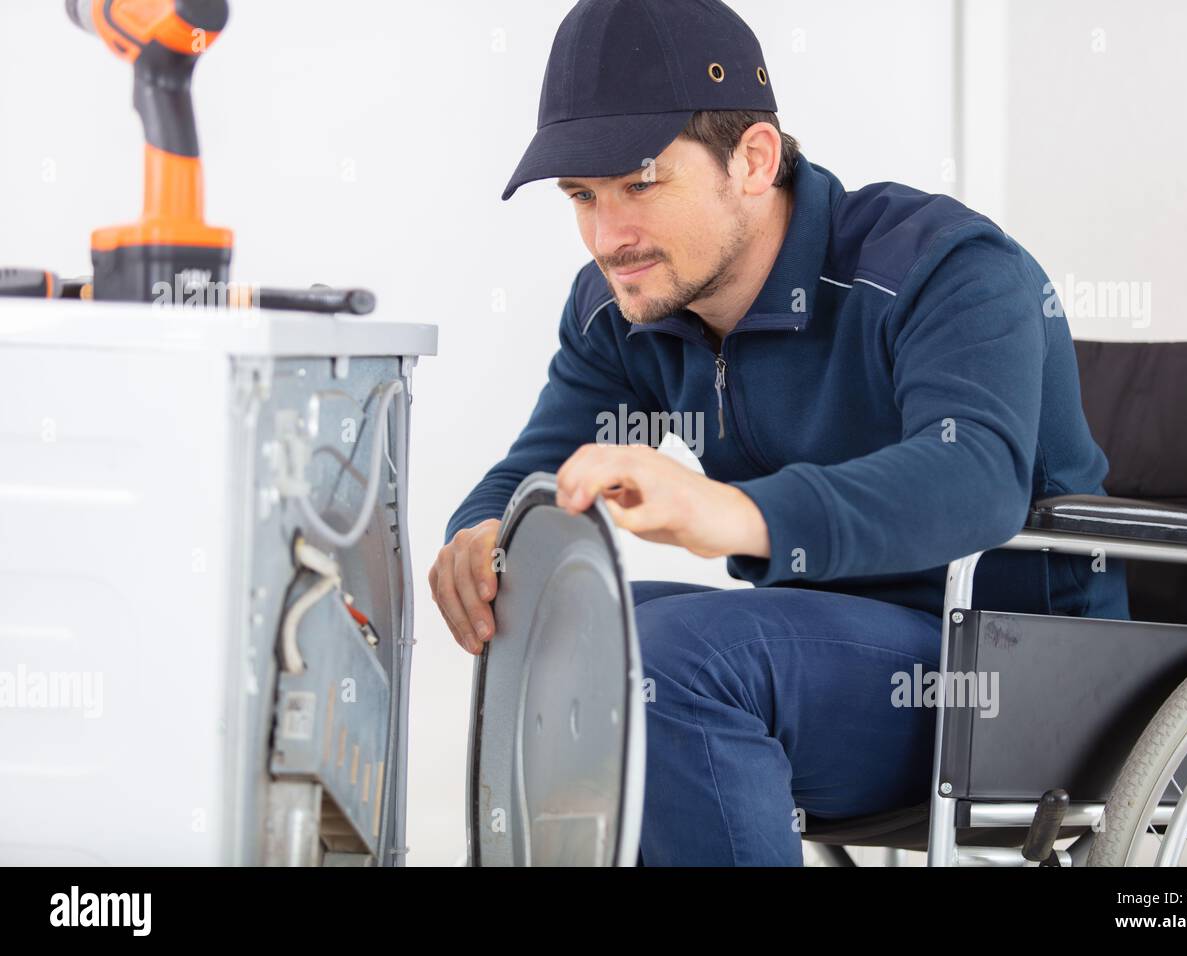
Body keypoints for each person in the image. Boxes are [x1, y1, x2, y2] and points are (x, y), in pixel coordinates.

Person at [431, 0, 1129, 865]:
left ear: (753, 159)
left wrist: (735, 513)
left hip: (1014, 668)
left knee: (669, 666)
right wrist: (482, 534)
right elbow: (534, 468)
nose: (609, 238)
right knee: (567, 643)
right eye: (582, 196)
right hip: (821, 643)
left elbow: (977, 477)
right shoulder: (627, 309)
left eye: (640, 184)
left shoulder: (942, 266)